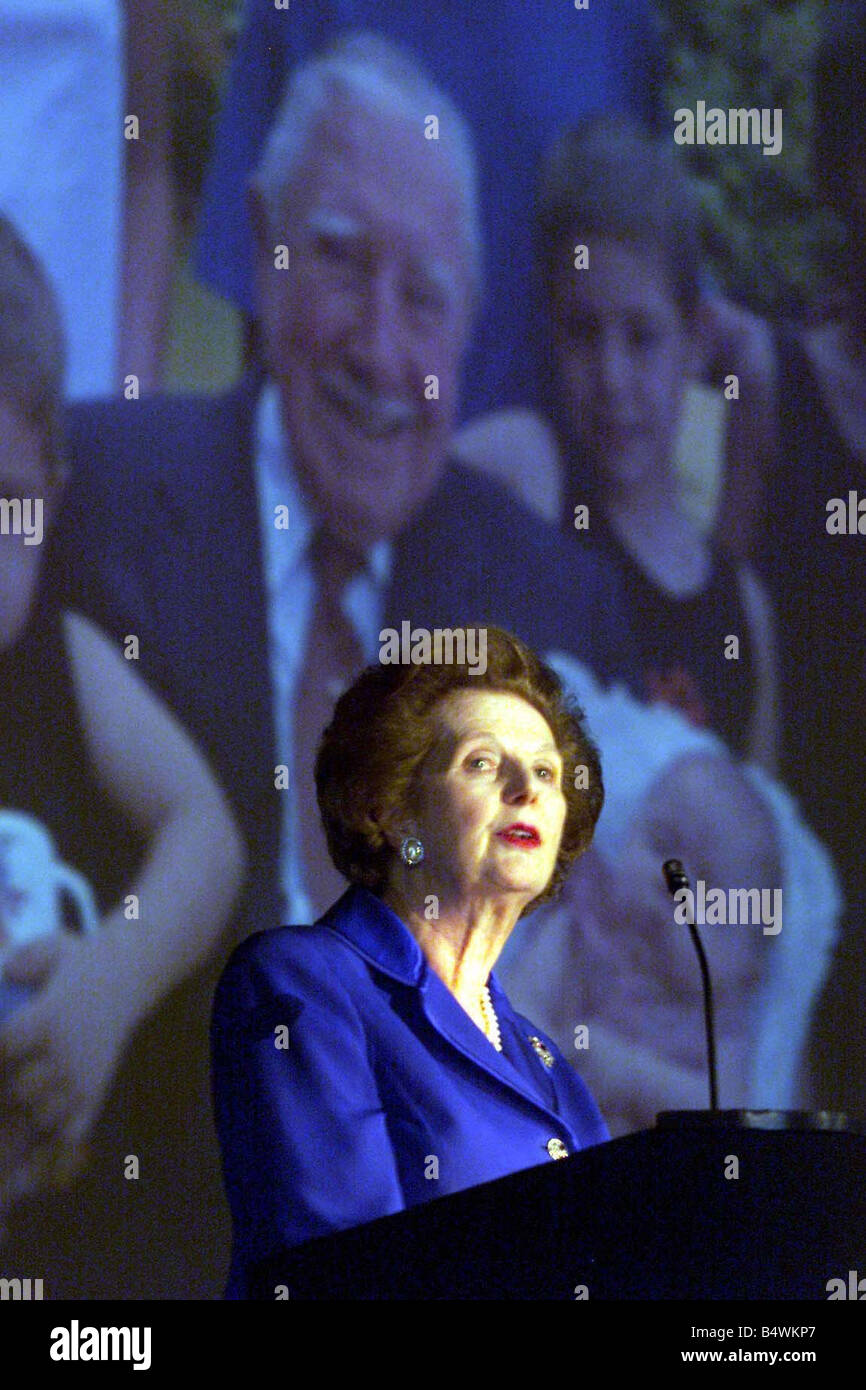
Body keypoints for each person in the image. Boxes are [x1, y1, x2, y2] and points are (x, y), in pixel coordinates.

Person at [52, 33, 638, 937]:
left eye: (425, 297)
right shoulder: (85, 508)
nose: (380, 348)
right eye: (340, 260)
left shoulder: (558, 618)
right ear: (261, 245)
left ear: (471, 323)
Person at [211, 624, 609, 1299]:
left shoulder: (548, 1068)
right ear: (390, 809)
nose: (528, 789)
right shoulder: (301, 983)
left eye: (546, 771)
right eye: (483, 763)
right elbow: (343, 1269)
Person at [0, 213, 245, 1295]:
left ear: (52, 478)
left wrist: (109, 981)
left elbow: (207, 839)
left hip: (81, 1235)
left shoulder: (64, 657)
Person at [455, 115, 780, 768]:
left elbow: (764, 837)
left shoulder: (743, 611)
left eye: (642, 336)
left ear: (695, 340)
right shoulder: (530, 475)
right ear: (549, 330)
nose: (612, 377)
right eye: (583, 332)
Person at [194, 0, 664, 417]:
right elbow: (263, 302)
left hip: (536, 501)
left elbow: (635, 275)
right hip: (338, 474)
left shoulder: (613, 19)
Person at [497, 655, 841, 1137]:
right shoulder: (585, 920)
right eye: (660, 843)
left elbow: (730, 1108)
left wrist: (624, 1073)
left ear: (750, 952)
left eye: (708, 886)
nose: (669, 880)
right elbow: (513, 1005)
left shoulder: (720, 1017)